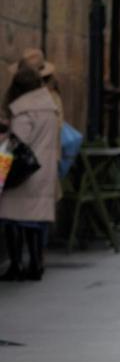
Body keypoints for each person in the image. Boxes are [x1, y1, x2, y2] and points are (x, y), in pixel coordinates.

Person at [0, 65, 61, 282]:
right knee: (35, 219)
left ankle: (16, 264)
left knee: (11, 216)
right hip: (43, 170)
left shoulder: (23, 110)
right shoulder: (49, 106)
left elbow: (18, 142)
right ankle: (36, 263)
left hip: (24, 174)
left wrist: (5, 134)